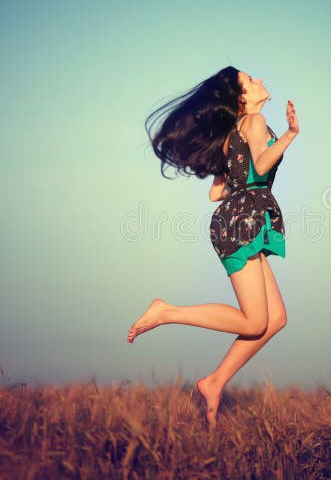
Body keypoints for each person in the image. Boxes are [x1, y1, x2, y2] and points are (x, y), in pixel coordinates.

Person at [126, 66, 300, 428]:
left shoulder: (235, 131)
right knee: (255, 321)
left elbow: (216, 192)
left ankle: (214, 382)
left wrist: (238, 176)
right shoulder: (254, 122)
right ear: (242, 98)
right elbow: (262, 164)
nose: (259, 81)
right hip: (242, 223)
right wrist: (290, 134)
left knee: (275, 320)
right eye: (250, 80)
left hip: (242, 220)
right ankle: (166, 312)